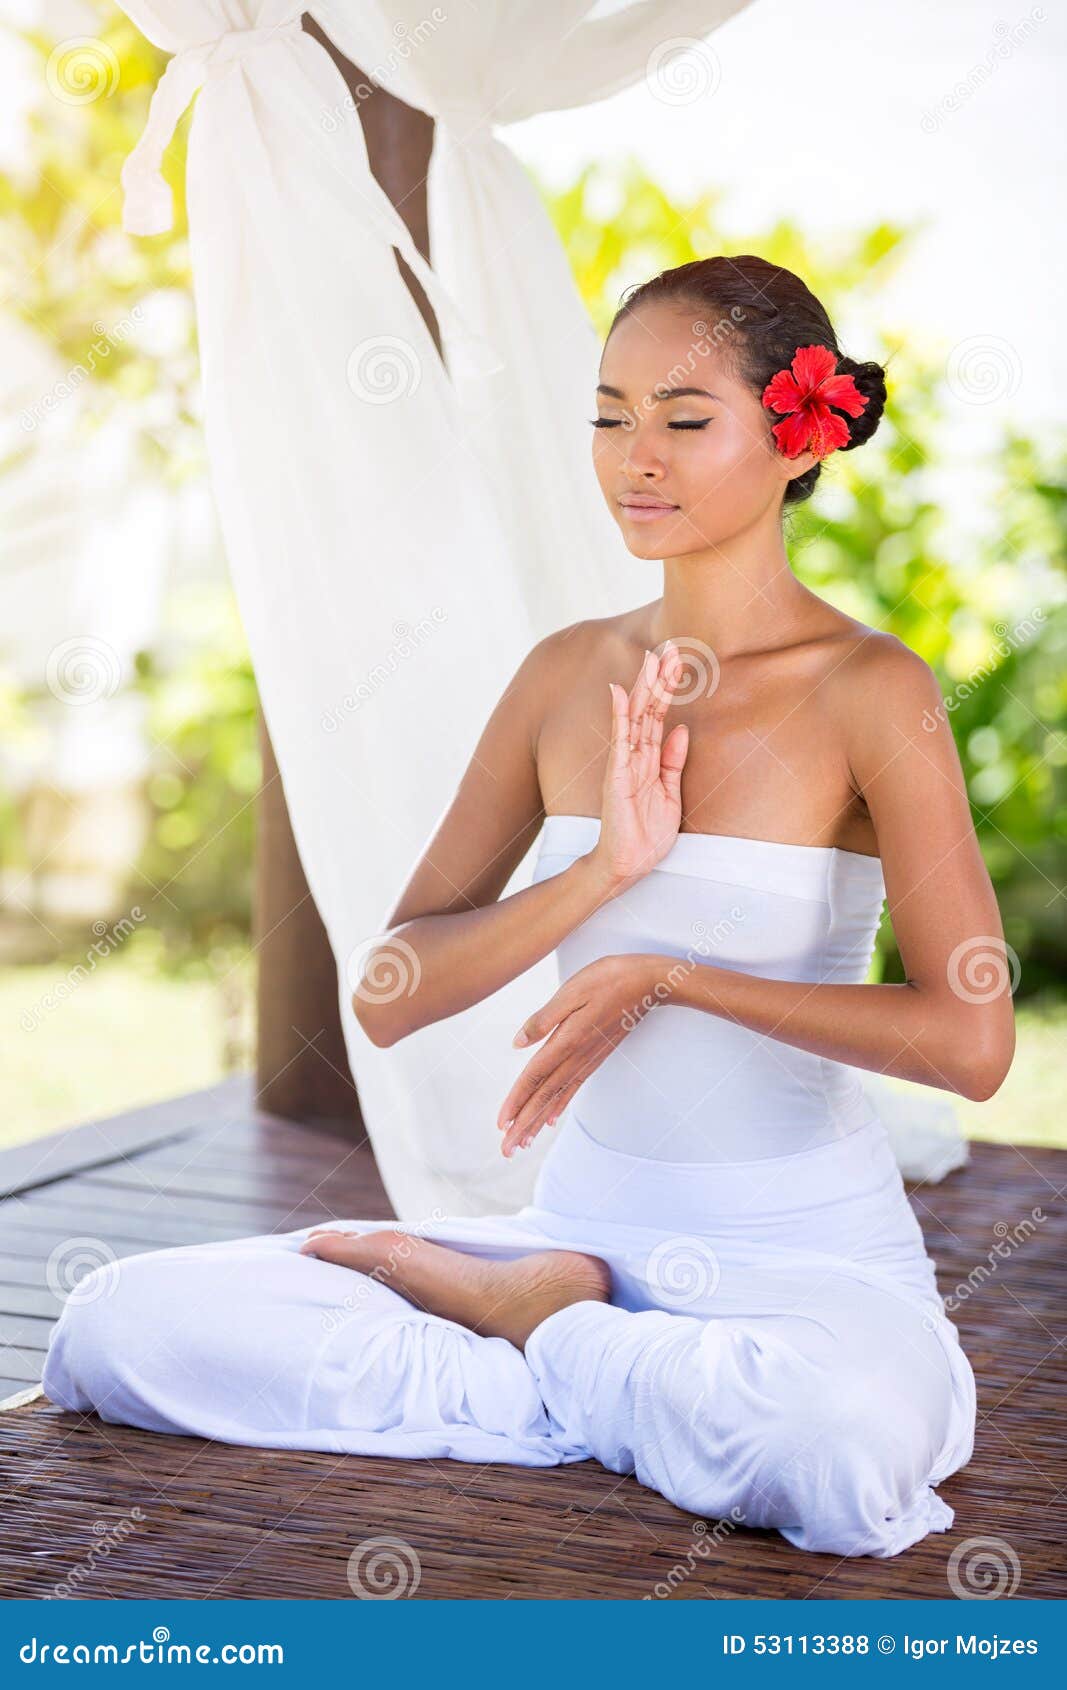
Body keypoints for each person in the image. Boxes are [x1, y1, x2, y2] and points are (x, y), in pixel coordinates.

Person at [42, 254, 1015, 1559]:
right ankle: (585, 1339)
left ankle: (537, 1330)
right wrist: (598, 873)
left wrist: (671, 973)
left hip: (804, 1265)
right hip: (588, 1227)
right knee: (113, 1325)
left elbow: (974, 1040)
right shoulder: (567, 676)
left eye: (683, 417)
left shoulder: (870, 689)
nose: (634, 457)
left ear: (796, 436)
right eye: (609, 414)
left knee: (833, 1454)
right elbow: (388, 996)